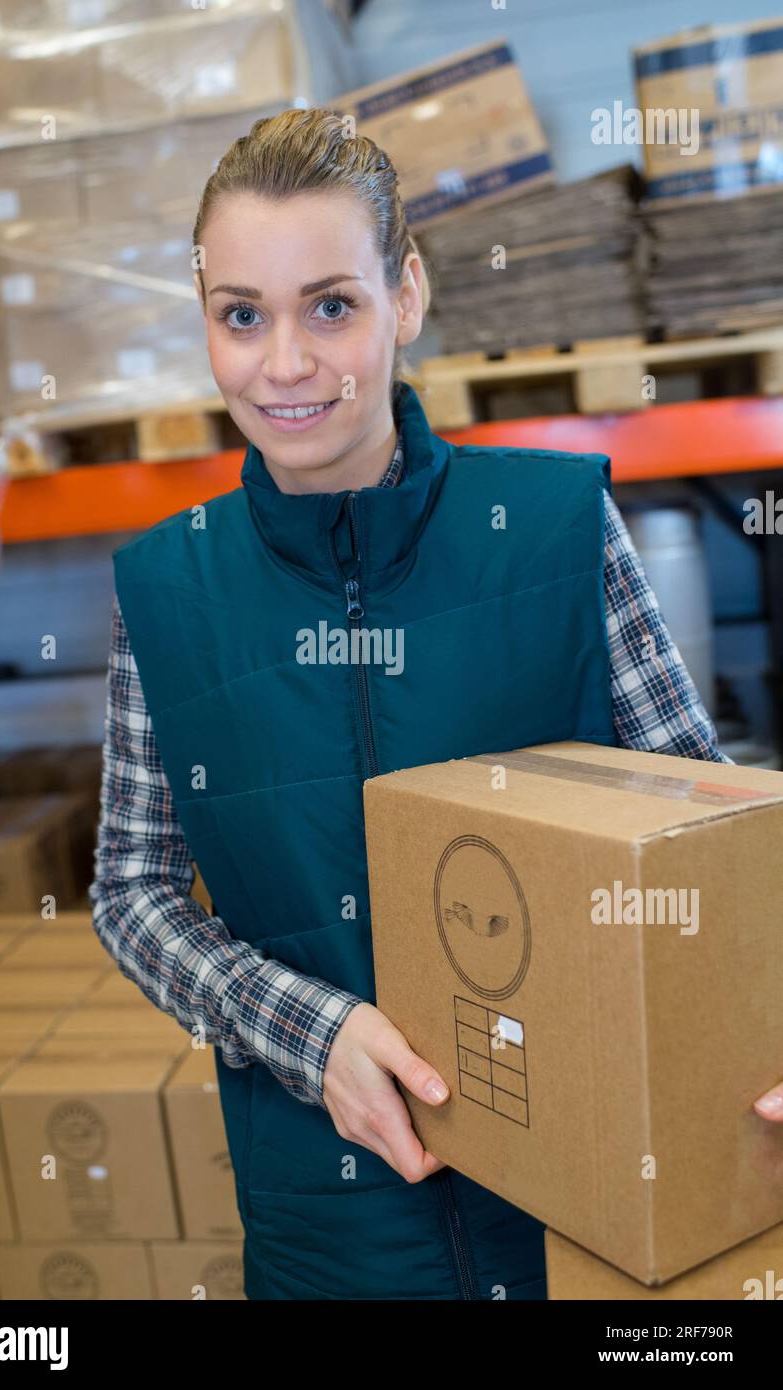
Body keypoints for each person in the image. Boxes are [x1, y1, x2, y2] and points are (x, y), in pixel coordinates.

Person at [89, 107, 783, 1301]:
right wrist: (316, 1037)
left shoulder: (556, 531)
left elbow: (711, 828)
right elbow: (132, 893)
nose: (287, 364)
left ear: (405, 295)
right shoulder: (166, 591)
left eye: (332, 305)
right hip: (332, 1226)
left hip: (590, 1205)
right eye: (240, 316)